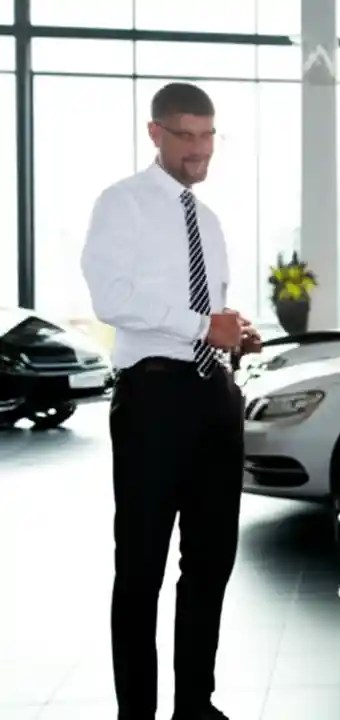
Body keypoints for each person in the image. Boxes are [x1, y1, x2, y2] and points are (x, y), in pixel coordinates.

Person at [81, 82, 261, 720]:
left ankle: (195, 706)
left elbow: (207, 311)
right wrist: (201, 326)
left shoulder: (208, 220)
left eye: (208, 135)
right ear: (154, 133)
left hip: (215, 397)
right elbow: (111, 299)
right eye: (185, 134)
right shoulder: (122, 203)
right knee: (141, 568)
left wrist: (232, 333)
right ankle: (137, 713)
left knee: (211, 562)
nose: (199, 148)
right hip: (152, 400)